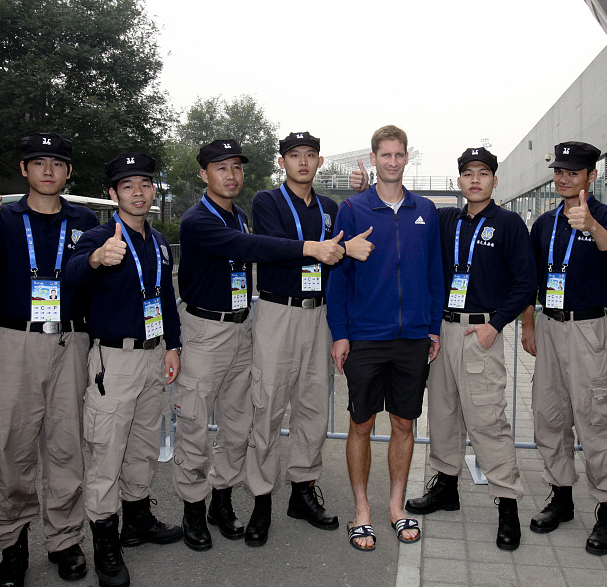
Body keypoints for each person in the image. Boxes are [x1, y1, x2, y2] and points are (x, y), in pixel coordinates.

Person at [174, 139, 346, 551]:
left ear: (320, 162)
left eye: (236, 167)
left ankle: (228, 499)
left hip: (253, 324)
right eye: (220, 167)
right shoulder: (209, 218)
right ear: (204, 174)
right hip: (221, 327)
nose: (230, 175)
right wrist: (313, 249)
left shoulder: (243, 215)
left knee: (251, 420)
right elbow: (256, 248)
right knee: (217, 419)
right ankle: (208, 508)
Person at [0, 132, 98, 587]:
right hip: (13, 340)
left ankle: (64, 540)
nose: (48, 170)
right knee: (11, 443)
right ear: (23, 170)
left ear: (68, 172)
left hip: (70, 339)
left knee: (66, 444)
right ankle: (12, 544)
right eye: (38, 162)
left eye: (58, 163)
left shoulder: (85, 220)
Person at [242, 132, 375, 546]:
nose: (303, 162)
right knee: (268, 404)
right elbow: (269, 247)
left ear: (320, 163)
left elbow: (356, 240)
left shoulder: (330, 207)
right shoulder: (267, 201)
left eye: (310, 156)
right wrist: (316, 249)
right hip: (277, 312)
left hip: (319, 315)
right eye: (294, 156)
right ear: (283, 162)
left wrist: (367, 191)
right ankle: (261, 500)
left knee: (314, 406)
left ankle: (302, 489)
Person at [401, 146, 535, 551]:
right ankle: (445, 487)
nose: (475, 180)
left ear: (495, 180)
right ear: (458, 182)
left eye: (483, 173)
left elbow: (526, 283)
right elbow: (403, 207)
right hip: (443, 330)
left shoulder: (509, 224)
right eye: (468, 174)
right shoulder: (445, 219)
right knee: (443, 414)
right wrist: (364, 186)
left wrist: (496, 326)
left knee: (487, 421)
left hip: (481, 333)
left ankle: (507, 504)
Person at [64, 152, 182, 587]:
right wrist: (96, 258)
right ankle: (106, 545)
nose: (138, 192)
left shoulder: (157, 239)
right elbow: (71, 276)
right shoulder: (98, 236)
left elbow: (165, 299)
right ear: (113, 194)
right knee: (106, 453)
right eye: (128, 185)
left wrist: (174, 345)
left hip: (154, 357)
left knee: (143, 446)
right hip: (113, 360)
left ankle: (137, 519)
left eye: (145, 184)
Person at [328, 125, 444, 551]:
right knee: (360, 425)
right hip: (365, 338)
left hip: (412, 337)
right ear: (374, 158)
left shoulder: (425, 210)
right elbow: (336, 278)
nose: (392, 162)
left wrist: (432, 326)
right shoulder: (353, 210)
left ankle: (396, 507)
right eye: (385, 155)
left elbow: (435, 273)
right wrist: (340, 334)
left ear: (406, 158)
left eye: (399, 155)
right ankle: (362, 511)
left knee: (403, 423)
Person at [518, 142, 607, 556]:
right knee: (550, 415)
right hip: (548, 326)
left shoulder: (606, 216)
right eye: (559, 171)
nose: (564, 178)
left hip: (586, 328)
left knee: (596, 417)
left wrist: (592, 228)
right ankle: (561, 496)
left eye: (573, 172)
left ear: (591, 176)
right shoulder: (545, 223)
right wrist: (529, 325)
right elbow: (530, 279)